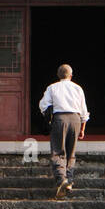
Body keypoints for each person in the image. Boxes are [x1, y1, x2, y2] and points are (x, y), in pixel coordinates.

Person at [38, 63, 89, 198]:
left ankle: (61, 179)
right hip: (75, 119)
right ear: (71, 75)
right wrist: (82, 129)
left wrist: (48, 116)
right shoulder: (78, 88)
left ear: (58, 75)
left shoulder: (52, 87)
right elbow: (84, 111)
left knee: (58, 151)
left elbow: (43, 105)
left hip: (59, 119)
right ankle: (69, 180)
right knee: (71, 152)